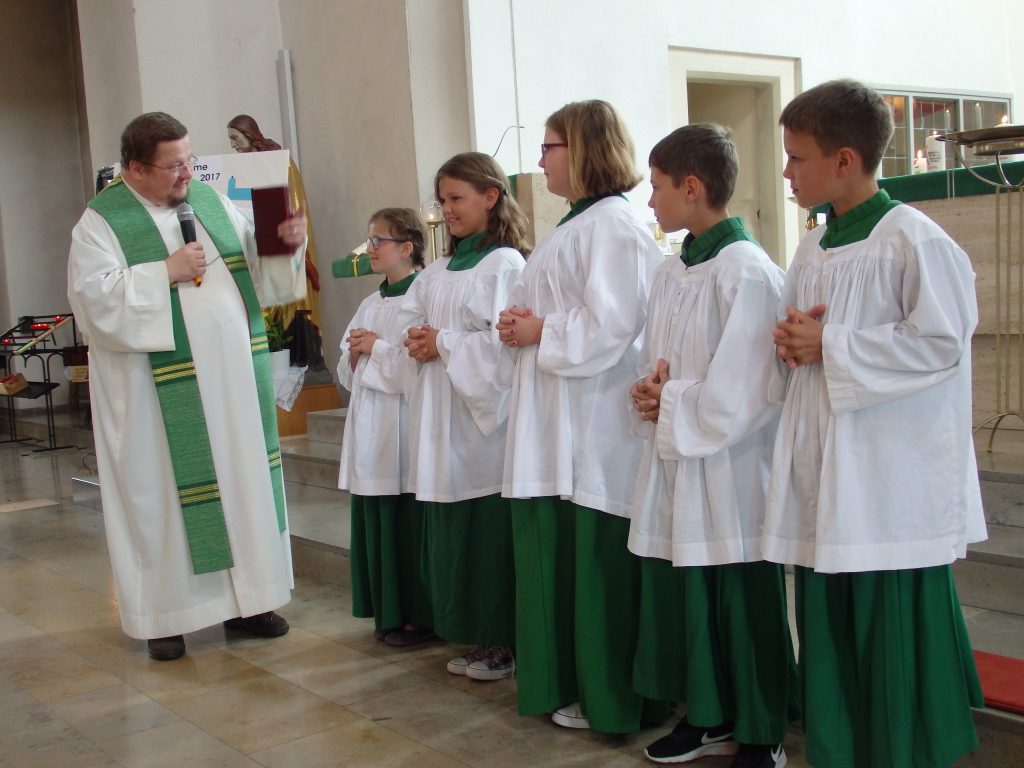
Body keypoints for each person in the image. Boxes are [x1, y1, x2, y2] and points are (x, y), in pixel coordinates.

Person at [766, 79, 986, 768]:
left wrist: (829, 345)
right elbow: (799, 341)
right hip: (830, 466)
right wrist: (794, 342)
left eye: (797, 158)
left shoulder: (913, 241)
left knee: (889, 627)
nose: (786, 171)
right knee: (829, 619)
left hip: (891, 483)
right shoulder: (812, 249)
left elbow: (941, 343)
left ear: (844, 159)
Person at [67, 112, 308, 660]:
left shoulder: (209, 202)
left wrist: (283, 244)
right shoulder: (101, 223)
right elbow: (93, 303)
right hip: (156, 399)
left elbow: (258, 267)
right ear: (134, 167)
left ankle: (249, 602)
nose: (187, 175)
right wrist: (163, 272)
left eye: (189, 161)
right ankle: (168, 617)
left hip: (231, 389)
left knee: (240, 482)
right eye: (173, 166)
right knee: (164, 497)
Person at [628, 124, 797, 768]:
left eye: (659, 188)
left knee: (742, 596)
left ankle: (761, 728)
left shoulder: (746, 271)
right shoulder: (673, 269)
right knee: (694, 593)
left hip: (731, 465)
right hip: (680, 459)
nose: (651, 202)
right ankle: (707, 716)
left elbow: (750, 386)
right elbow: (657, 358)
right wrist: (647, 391)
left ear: (692, 188)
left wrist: (668, 401)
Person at [495, 100, 667, 733]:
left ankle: (614, 699)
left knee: (599, 571)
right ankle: (575, 685)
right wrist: (518, 324)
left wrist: (540, 328)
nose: (540, 159)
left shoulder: (614, 228)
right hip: (556, 420)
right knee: (565, 566)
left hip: (595, 426)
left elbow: (616, 329)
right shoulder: (575, 225)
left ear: (587, 149)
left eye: (550, 146)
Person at [403, 152, 529, 680]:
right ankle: (473, 631)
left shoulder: (506, 265)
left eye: (456, 199)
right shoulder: (433, 272)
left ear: (490, 197)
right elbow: (413, 323)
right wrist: (414, 340)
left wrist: (444, 343)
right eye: (443, 201)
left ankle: (502, 638)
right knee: (453, 532)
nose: (447, 210)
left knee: (487, 535)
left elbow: (506, 348)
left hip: (483, 424)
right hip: (440, 413)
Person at [337, 208, 434, 647]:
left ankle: (416, 614)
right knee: (377, 518)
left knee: (407, 519)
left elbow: (418, 370)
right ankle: (386, 609)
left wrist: (375, 350)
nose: (371, 249)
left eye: (379, 241)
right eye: (370, 240)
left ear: (408, 248)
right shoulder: (370, 303)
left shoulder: (424, 297)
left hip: (404, 426)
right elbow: (345, 365)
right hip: (371, 426)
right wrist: (358, 355)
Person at [228, 114, 323, 366]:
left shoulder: (277, 160)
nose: (233, 145)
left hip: (281, 241)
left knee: (291, 301)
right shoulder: (237, 169)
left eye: (235, 138)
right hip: (256, 249)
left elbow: (288, 201)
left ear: (250, 134)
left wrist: (284, 231)